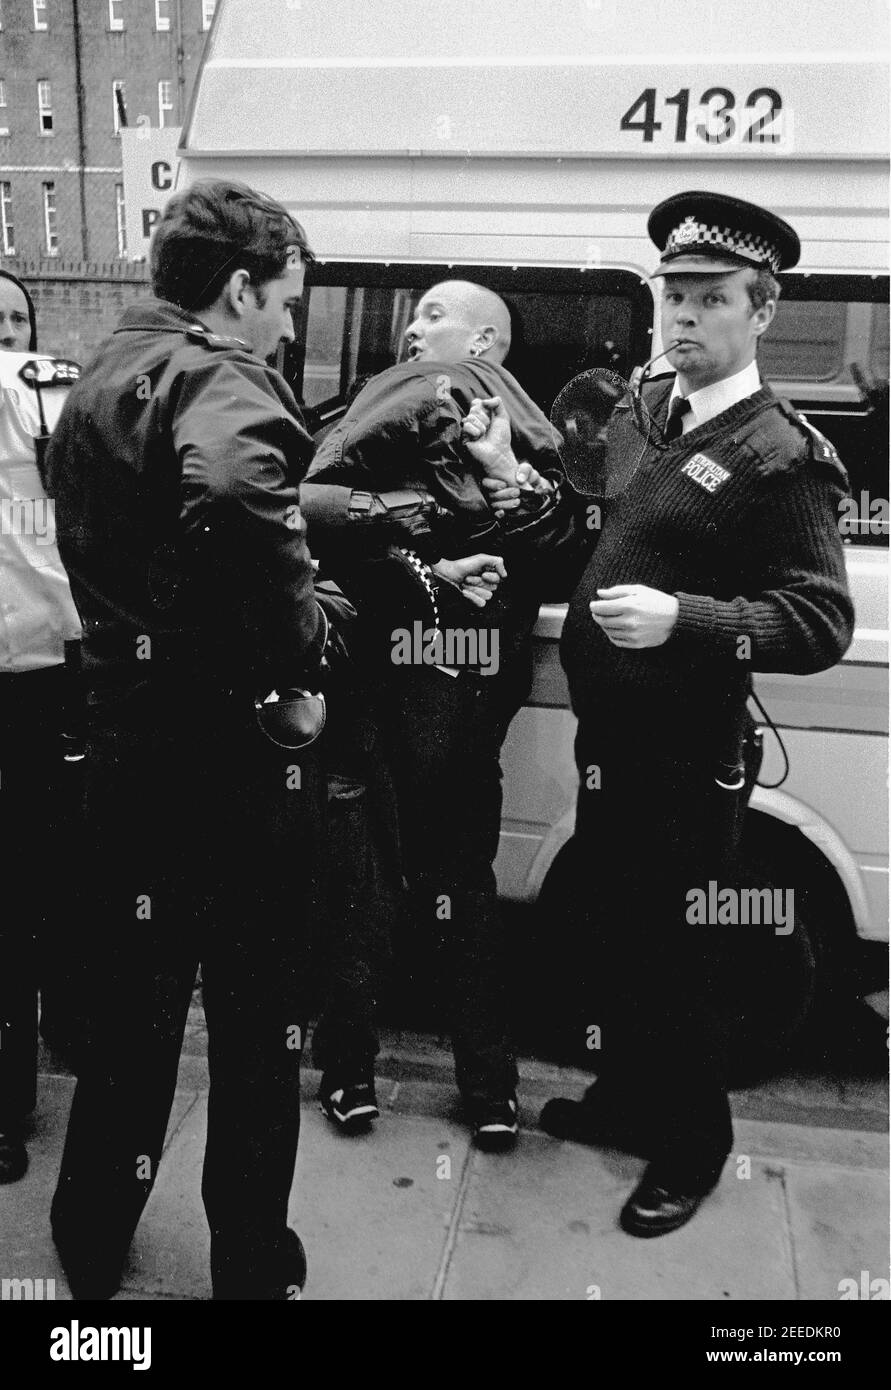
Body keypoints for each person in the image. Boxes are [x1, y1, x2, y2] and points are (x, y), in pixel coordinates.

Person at [44, 179, 350, 1300]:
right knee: (258, 1024)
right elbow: (226, 491)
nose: (287, 325)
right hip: (230, 761)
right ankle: (251, 1259)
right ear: (238, 288)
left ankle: (89, 1231)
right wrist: (303, 641)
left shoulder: (103, 375)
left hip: (127, 743)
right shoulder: (220, 374)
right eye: (285, 302)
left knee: (130, 1010)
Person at [536, 192, 855, 1236]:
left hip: (685, 756)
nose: (682, 319)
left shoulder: (782, 454)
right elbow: (604, 507)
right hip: (609, 745)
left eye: (710, 300)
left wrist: (689, 618)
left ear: (761, 313)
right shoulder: (647, 410)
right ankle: (630, 1098)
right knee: (614, 934)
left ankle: (694, 1143)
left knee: (679, 952)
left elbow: (818, 621)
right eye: (671, 296)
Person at [302, 280, 565, 1150]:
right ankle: (355, 1073)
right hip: (378, 705)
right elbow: (315, 516)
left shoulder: (518, 451)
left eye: (432, 318)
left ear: (483, 343)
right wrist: (431, 566)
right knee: (366, 895)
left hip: (456, 712)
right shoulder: (380, 425)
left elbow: (555, 548)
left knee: (454, 897)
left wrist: (495, 483)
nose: (411, 331)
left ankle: (483, 1086)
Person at [0, 271, 84, 1184]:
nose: (10, 337)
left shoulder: (49, 397)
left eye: (19, 320)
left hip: (54, 676)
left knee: (53, 879)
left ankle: (64, 1036)